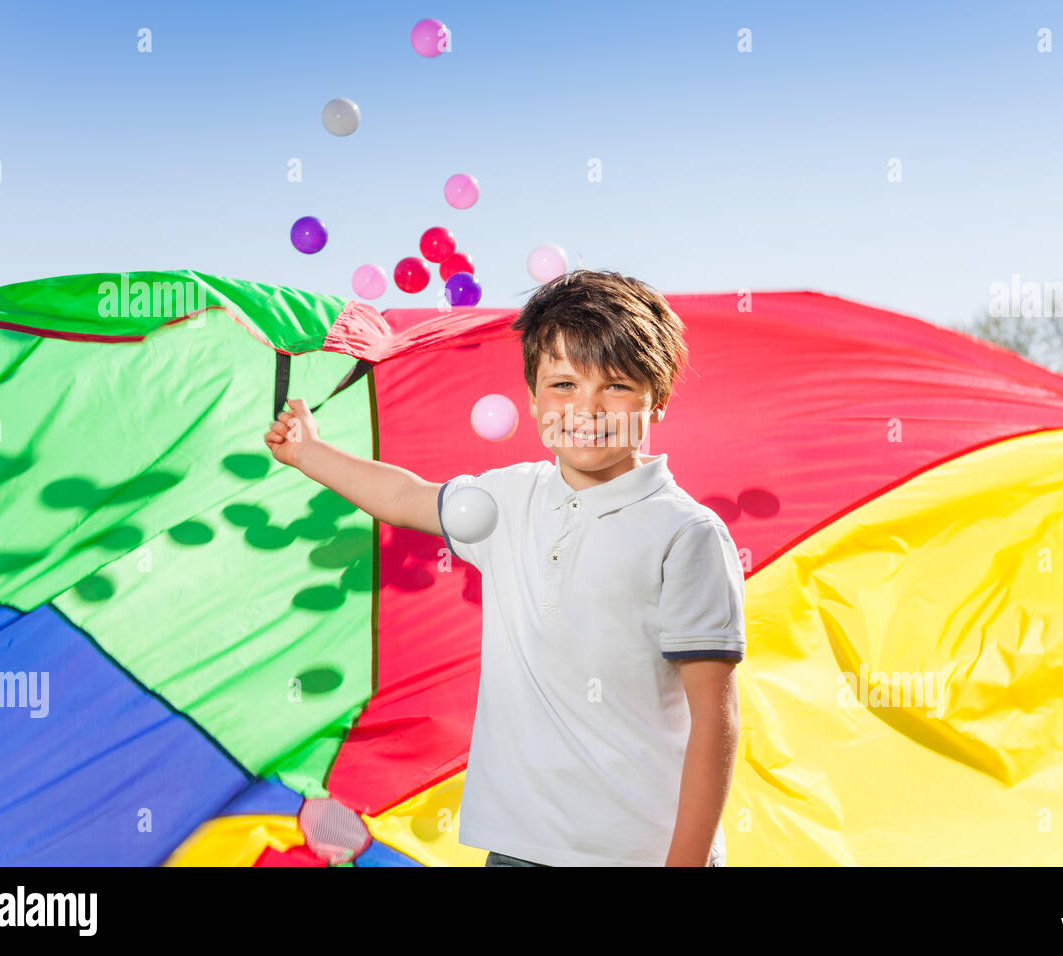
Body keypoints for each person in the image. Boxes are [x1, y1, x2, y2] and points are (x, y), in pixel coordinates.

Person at [264, 269, 744, 867]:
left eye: (616, 386)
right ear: (533, 398)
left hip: (639, 854)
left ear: (660, 398)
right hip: (517, 850)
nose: (586, 408)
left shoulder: (685, 533)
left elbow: (715, 718)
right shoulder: (509, 497)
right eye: (563, 383)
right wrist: (308, 451)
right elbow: (405, 497)